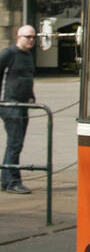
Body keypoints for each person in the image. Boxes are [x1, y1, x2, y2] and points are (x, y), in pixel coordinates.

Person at [0, 25, 37, 194]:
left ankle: (7, 179)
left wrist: (31, 95)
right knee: (15, 143)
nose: (31, 40)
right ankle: (12, 181)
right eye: (28, 37)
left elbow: (27, 78)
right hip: (9, 103)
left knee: (16, 143)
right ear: (19, 36)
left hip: (23, 104)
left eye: (33, 37)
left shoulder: (28, 56)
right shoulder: (8, 54)